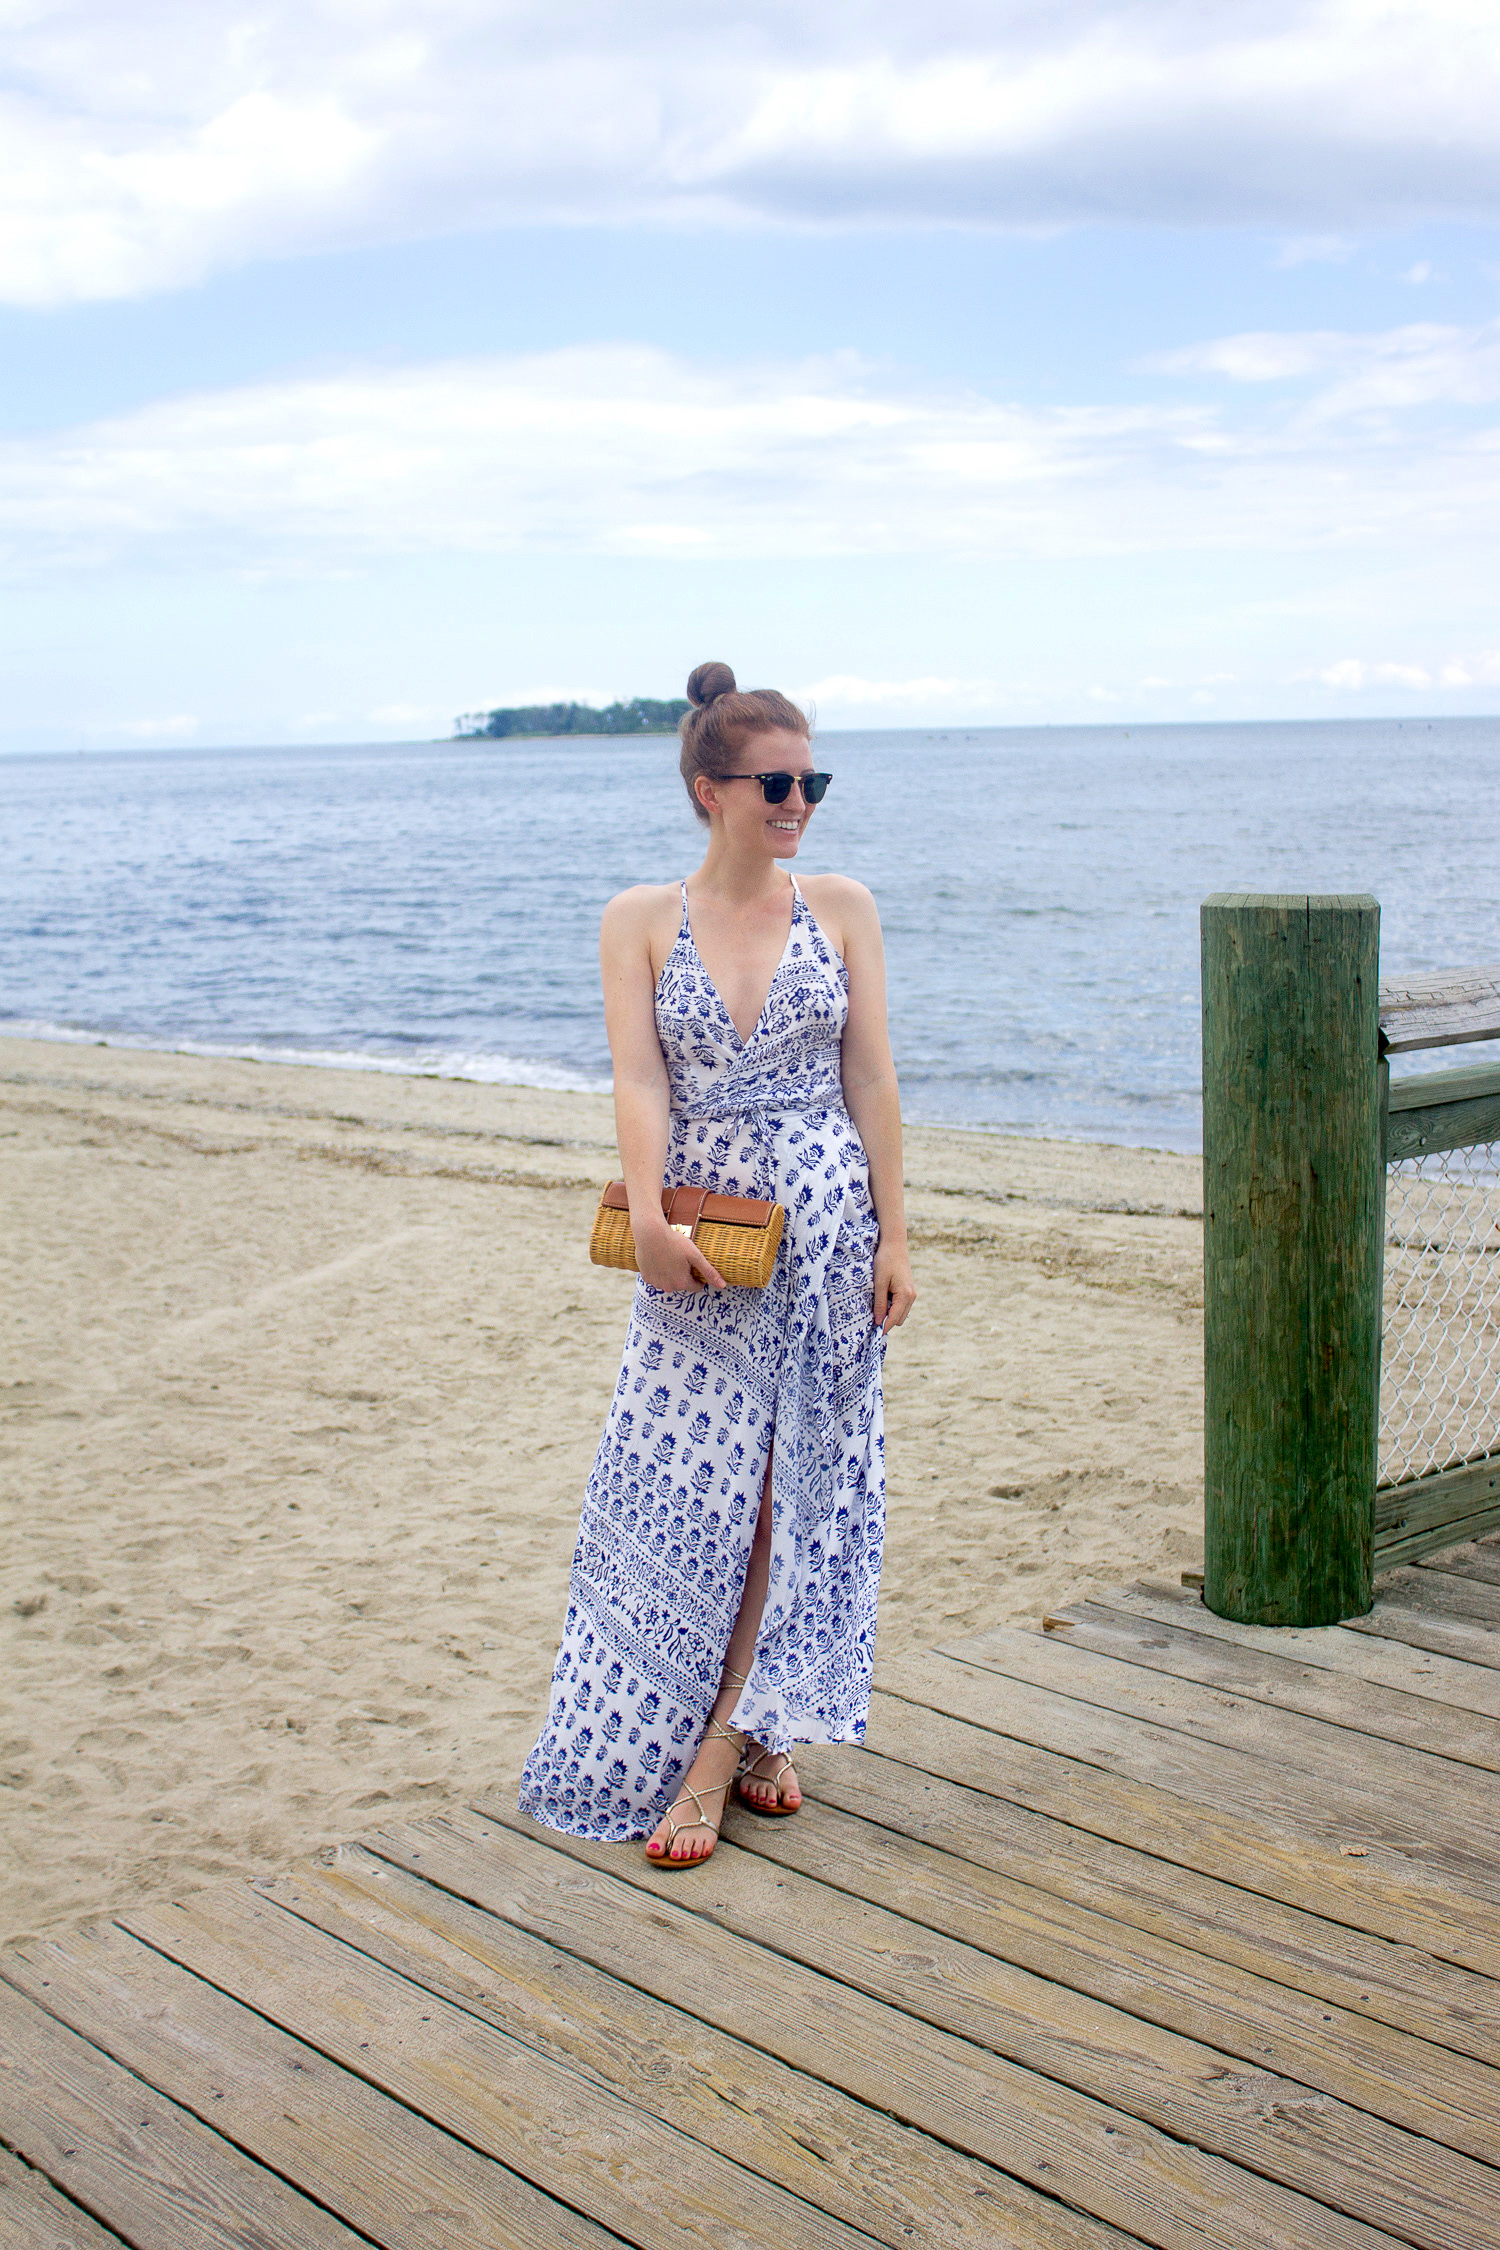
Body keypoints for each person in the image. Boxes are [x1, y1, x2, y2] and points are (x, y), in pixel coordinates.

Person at [519, 660, 915, 1865]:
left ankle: (740, 1742)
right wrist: (645, 1218)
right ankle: (705, 1727)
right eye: (777, 781)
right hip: (707, 1246)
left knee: (796, 1494)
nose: (800, 801)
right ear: (710, 789)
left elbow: (873, 1076)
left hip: (831, 1236)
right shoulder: (638, 919)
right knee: (694, 1495)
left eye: (813, 779)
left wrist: (897, 1233)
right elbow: (642, 1080)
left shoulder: (840, 906)